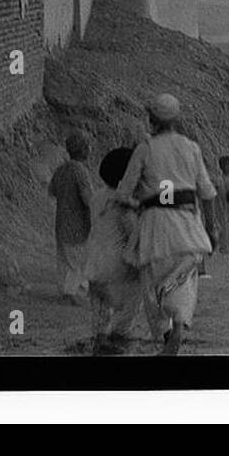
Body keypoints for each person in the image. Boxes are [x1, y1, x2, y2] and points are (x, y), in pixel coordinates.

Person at [115, 94, 218, 355]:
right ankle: (180, 322)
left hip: (156, 225)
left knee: (153, 285)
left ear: (152, 120)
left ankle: (165, 333)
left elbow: (123, 193)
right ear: (176, 120)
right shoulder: (191, 147)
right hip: (187, 224)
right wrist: (212, 228)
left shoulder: (145, 149)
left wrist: (138, 203)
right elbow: (207, 193)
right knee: (184, 279)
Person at [85, 146, 144, 355]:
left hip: (93, 258)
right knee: (131, 295)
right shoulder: (122, 203)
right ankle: (119, 333)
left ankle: (100, 337)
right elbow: (132, 232)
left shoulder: (97, 196)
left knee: (99, 303)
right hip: (115, 263)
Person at [48, 130, 94, 302]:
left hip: (61, 220)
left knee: (65, 259)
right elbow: (88, 199)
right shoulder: (80, 171)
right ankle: (71, 293)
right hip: (77, 223)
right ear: (83, 150)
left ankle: (67, 290)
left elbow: (52, 191)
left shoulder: (61, 170)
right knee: (78, 260)